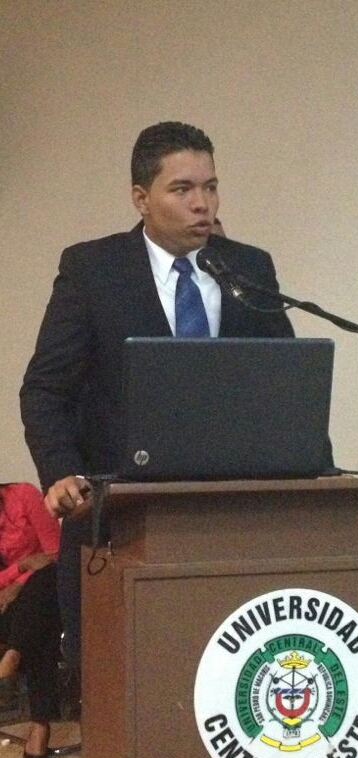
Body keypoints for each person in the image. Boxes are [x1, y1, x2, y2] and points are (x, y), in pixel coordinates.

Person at [19, 121, 304, 671]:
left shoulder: (248, 267)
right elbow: (46, 388)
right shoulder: (92, 269)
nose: (202, 203)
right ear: (140, 198)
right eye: (183, 189)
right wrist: (60, 471)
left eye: (211, 187)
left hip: (229, 512)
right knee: (121, 676)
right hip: (118, 513)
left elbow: (283, 385)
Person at [0, 481, 62, 758]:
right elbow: (31, 563)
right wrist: (22, 567)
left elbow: (55, 554)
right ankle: (41, 723)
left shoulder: (23, 496)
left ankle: (14, 652)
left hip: (44, 594)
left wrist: (18, 585)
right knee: (39, 629)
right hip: (7, 607)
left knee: (45, 585)